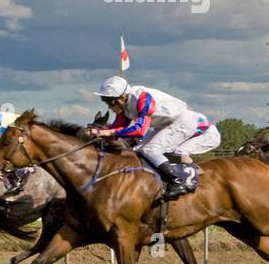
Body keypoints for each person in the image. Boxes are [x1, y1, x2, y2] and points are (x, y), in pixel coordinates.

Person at [86, 76, 221, 201]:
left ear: (122, 97)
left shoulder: (143, 98)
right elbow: (117, 129)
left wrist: (107, 133)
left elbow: (139, 130)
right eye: (105, 101)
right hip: (167, 123)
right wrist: (99, 136)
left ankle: (178, 181)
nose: (108, 106)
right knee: (137, 149)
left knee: (150, 150)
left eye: (110, 101)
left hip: (183, 120)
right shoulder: (124, 108)